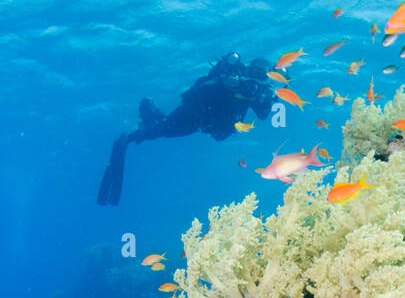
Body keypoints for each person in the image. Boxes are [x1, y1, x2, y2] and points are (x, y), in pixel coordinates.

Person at [97, 53, 274, 205]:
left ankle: (149, 114)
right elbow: (202, 89)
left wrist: (268, 97)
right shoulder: (232, 73)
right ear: (249, 68)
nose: (255, 78)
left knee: (165, 130)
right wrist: (224, 83)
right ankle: (127, 138)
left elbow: (263, 115)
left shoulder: (259, 91)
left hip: (203, 126)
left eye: (262, 75)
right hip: (193, 113)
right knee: (161, 130)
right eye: (255, 71)